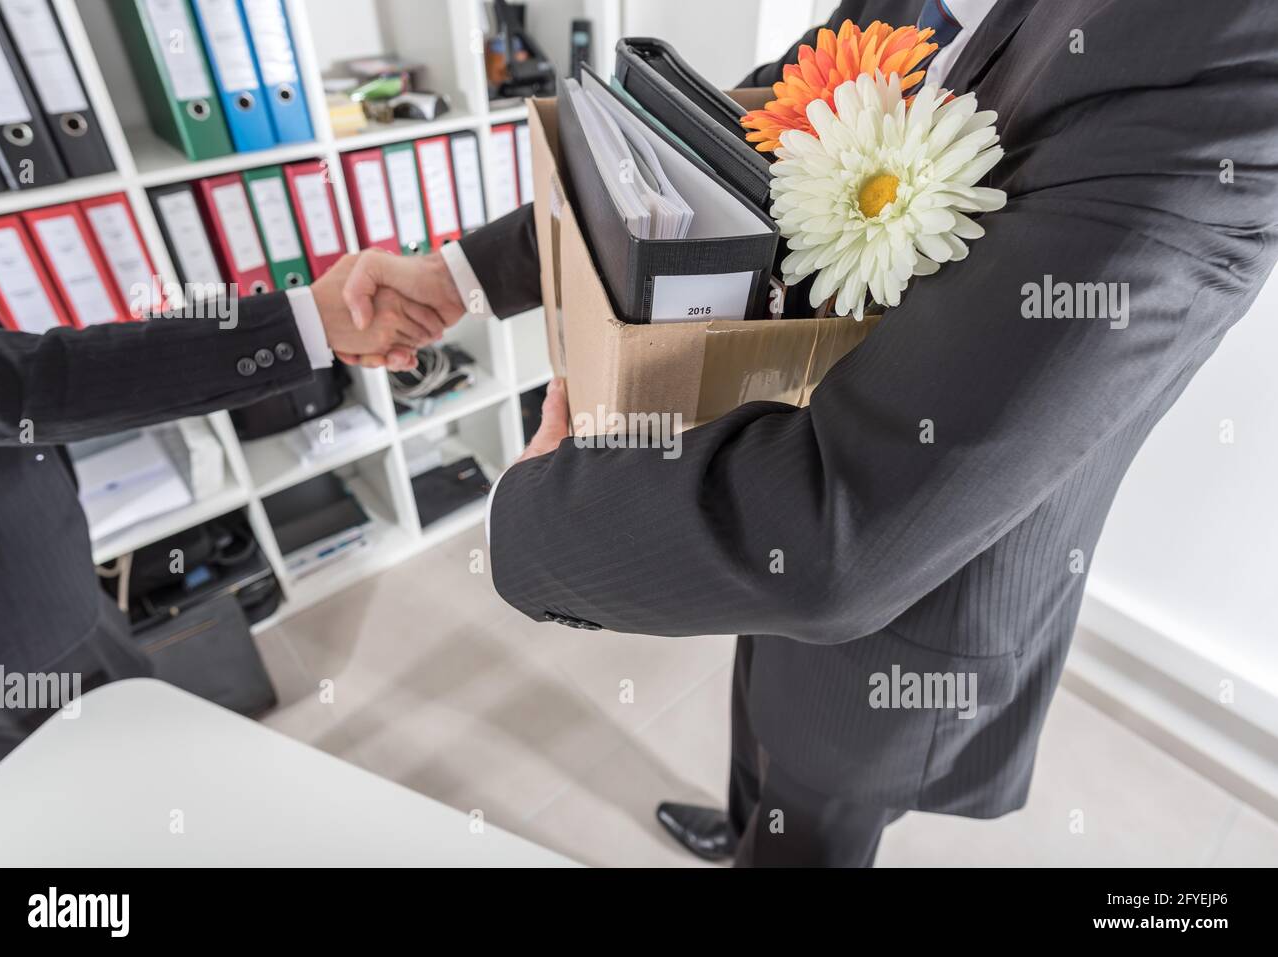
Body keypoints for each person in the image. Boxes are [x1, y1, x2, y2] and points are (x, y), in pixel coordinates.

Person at [340, 0, 1278, 867]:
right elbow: (751, 135)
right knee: (765, 724)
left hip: (919, 606)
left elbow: (844, 535)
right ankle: (745, 823)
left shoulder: (1226, 53)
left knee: (819, 811)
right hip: (783, 455)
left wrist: (529, 517)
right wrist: (461, 277)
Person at [0, 256, 440, 766]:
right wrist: (306, 322)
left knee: (138, 730)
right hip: (15, 629)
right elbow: (28, 381)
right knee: (100, 771)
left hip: (42, 561)